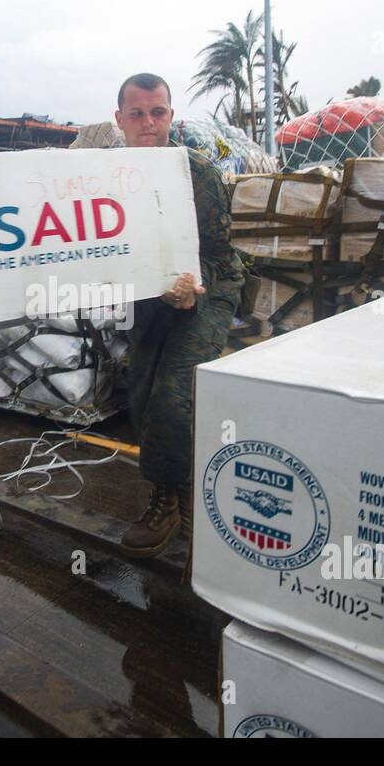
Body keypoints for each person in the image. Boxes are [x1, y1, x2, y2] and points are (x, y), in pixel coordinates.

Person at [113, 73, 244, 558]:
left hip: (207, 287)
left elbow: (216, 251)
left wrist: (194, 290)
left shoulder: (198, 173)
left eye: (159, 112)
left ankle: (184, 503)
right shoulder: (102, 176)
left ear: (172, 115)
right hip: (148, 293)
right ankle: (167, 494)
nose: (149, 124)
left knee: (174, 394)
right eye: (138, 114)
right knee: (142, 393)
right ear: (120, 120)